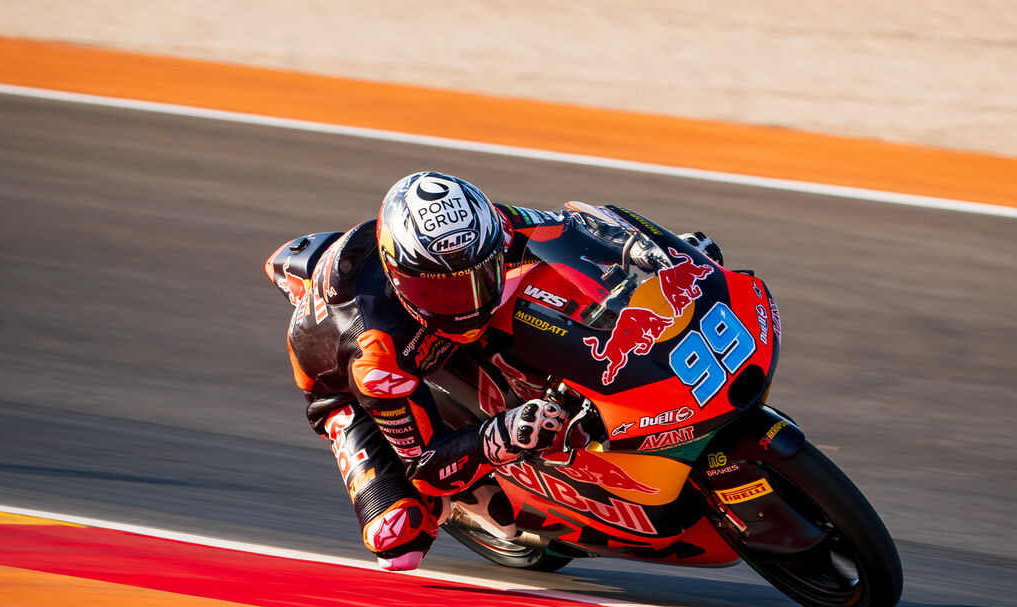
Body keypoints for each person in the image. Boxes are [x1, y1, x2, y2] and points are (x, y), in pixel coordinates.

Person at [265, 171, 721, 570]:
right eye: (444, 292)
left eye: (476, 276)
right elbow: (426, 463)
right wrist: (501, 436)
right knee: (398, 536)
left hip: (430, 332)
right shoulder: (376, 354)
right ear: (400, 279)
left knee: (554, 286)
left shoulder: (482, 228)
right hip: (350, 389)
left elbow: (577, 229)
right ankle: (461, 507)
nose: (466, 300)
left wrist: (655, 254)